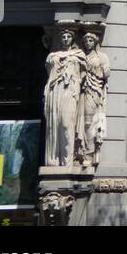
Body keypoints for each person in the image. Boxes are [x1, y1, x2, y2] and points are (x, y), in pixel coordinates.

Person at [43, 29, 85, 166]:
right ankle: (54, 160)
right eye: (63, 37)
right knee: (54, 125)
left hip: (70, 91)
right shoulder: (53, 56)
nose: (66, 39)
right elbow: (50, 73)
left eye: (68, 36)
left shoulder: (78, 55)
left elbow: (83, 75)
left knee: (67, 124)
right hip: (56, 90)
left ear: (73, 39)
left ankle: (67, 161)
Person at [78, 30, 110, 168]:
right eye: (86, 41)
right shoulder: (82, 55)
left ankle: (89, 154)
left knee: (89, 122)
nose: (88, 43)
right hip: (81, 91)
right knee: (80, 122)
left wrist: (100, 69)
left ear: (95, 42)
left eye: (90, 41)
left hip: (94, 91)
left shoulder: (101, 56)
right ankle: (81, 152)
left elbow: (107, 73)